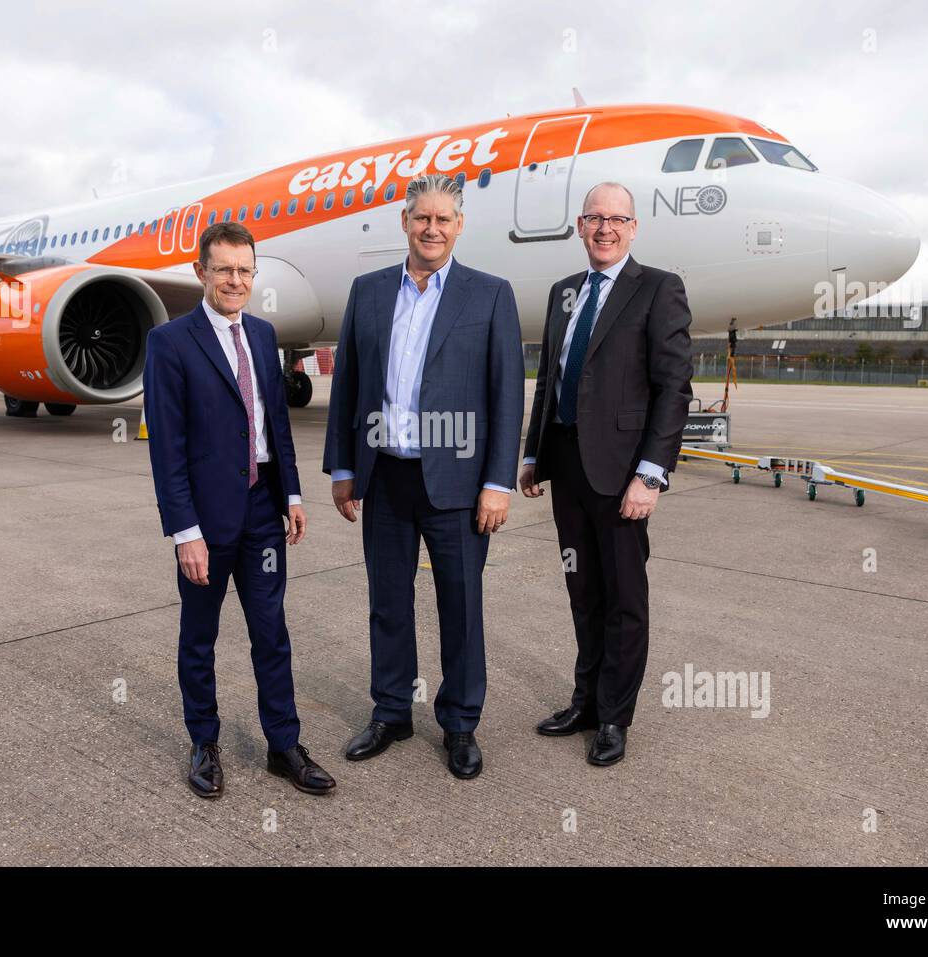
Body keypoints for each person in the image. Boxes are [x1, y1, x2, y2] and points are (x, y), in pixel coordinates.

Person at [323, 173, 524, 779]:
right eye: (421, 218)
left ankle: (460, 724)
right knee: (387, 603)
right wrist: (343, 466)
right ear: (405, 223)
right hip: (386, 476)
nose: (432, 228)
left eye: (443, 219)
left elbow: (507, 394)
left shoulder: (489, 295)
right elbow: (349, 386)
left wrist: (498, 482)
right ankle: (391, 710)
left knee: (460, 605)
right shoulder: (369, 291)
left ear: (458, 226)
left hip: (459, 486)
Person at [143, 221, 335, 797]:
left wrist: (293, 496)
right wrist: (185, 532)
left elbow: (275, 425)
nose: (234, 280)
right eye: (223, 269)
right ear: (201, 272)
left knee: (271, 631)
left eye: (244, 270)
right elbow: (167, 449)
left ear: (254, 275)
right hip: (205, 518)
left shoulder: (262, 334)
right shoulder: (172, 343)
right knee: (199, 637)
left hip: (261, 512)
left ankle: (283, 745)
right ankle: (204, 742)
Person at [520, 182, 693, 767]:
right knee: (582, 590)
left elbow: (674, 389)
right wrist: (532, 454)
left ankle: (615, 716)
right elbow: (550, 378)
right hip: (567, 465)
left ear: (634, 228)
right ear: (579, 225)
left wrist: (651, 475)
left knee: (624, 597)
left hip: (623, 473)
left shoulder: (658, 289)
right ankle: (586, 701)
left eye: (617, 219)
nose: (605, 229)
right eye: (595, 218)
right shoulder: (563, 292)